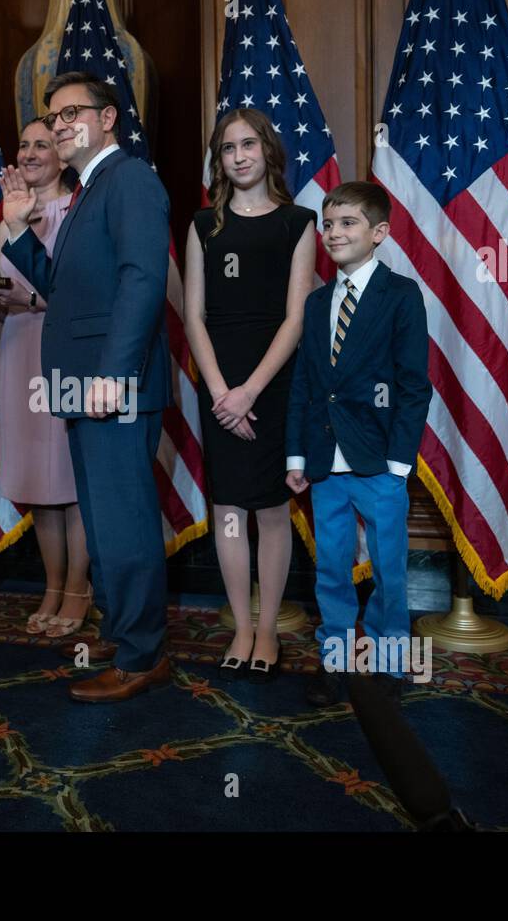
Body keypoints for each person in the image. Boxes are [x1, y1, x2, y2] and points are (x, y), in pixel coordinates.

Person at [0, 71, 172, 703]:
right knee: (102, 522)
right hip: (81, 383)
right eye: (54, 116)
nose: (60, 124)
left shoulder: (130, 179)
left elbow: (142, 281)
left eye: (73, 112)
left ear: (108, 118)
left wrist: (113, 375)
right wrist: (19, 232)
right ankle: (124, 631)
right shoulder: (86, 191)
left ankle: (143, 656)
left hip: (110, 383)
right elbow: (62, 288)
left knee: (124, 522)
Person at [284, 181, 431, 706]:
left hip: (379, 461)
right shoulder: (317, 301)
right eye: (328, 224)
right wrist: (297, 455)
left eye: (347, 223)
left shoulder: (401, 295)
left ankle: (390, 660)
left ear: (379, 232)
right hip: (325, 461)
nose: (334, 233)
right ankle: (335, 658)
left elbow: (414, 385)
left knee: (389, 569)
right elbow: (305, 383)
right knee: (331, 567)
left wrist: (399, 463)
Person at [184, 108, 317, 683]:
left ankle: (268, 628)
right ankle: (241, 625)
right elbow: (193, 316)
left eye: (248, 145)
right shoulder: (203, 226)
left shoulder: (298, 222)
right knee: (229, 510)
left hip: (274, 380)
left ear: (268, 151)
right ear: (219, 159)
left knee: (270, 507)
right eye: (227, 148)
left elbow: (296, 318)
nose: (238, 156)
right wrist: (222, 394)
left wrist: (250, 392)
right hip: (219, 382)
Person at [0, 119, 92, 637]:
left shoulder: (78, 210)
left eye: (41, 144)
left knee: (70, 477)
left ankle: (79, 588)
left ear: (62, 156)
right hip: (19, 348)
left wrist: (29, 300)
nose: (28, 153)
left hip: (66, 350)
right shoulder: (8, 216)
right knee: (38, 481)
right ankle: (52, 585)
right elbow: (5, 298)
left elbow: (77, 292)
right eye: (22, 144)